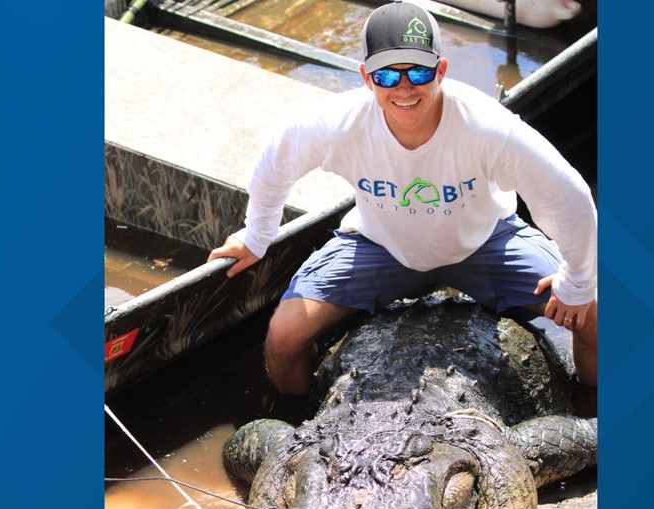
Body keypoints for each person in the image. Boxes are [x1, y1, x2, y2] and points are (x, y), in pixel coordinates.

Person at [208, 1, 597, 396]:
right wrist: (256, 235)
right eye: (388, 75)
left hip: (485, 242)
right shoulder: (335, 124)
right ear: (366, 77)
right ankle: (299, 419)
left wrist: (579, 282)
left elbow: (570, 197)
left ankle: (592, 415)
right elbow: (276, 159)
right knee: (283, 334)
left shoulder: (489, 128)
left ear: (441, 71)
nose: (405, 86)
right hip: (381, 245)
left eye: (419, 71)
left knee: (599, 317)